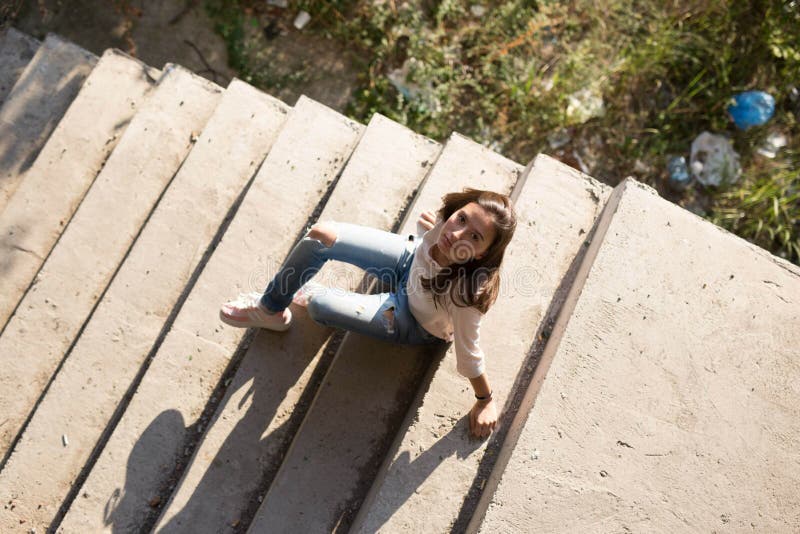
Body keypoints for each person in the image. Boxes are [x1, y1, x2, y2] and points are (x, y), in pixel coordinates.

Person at [220, 187, 517, 439]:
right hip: (408, 259)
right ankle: (270, 308)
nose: (456, 233)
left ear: (481, 254)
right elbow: (440, 235)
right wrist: (427, 233)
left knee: (320, 305)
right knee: (323, 235)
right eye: (461, 218)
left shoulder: (466, 297)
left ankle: (322, 298)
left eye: (475, 237)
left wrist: (485, 401)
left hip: (408, 318)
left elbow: (470, 354)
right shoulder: (445, 225)